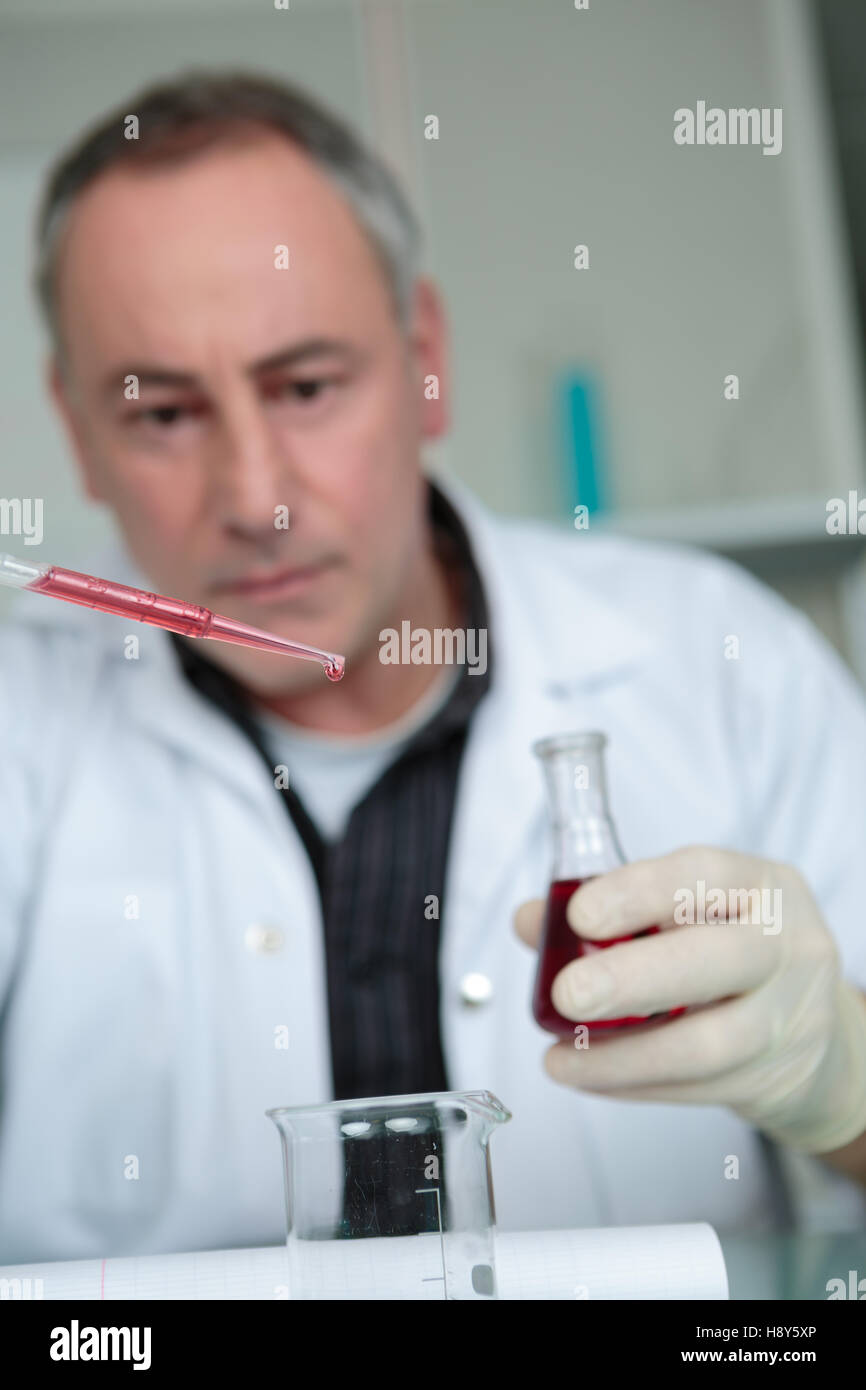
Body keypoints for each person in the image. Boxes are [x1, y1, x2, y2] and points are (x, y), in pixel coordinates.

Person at [1, 70, 865, 1265]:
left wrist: (841, 1080)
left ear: (425, 362)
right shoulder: (18, 721)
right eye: (162, 414)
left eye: (306, 386)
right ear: (78, 431)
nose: (257, 502)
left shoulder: (720, 663)